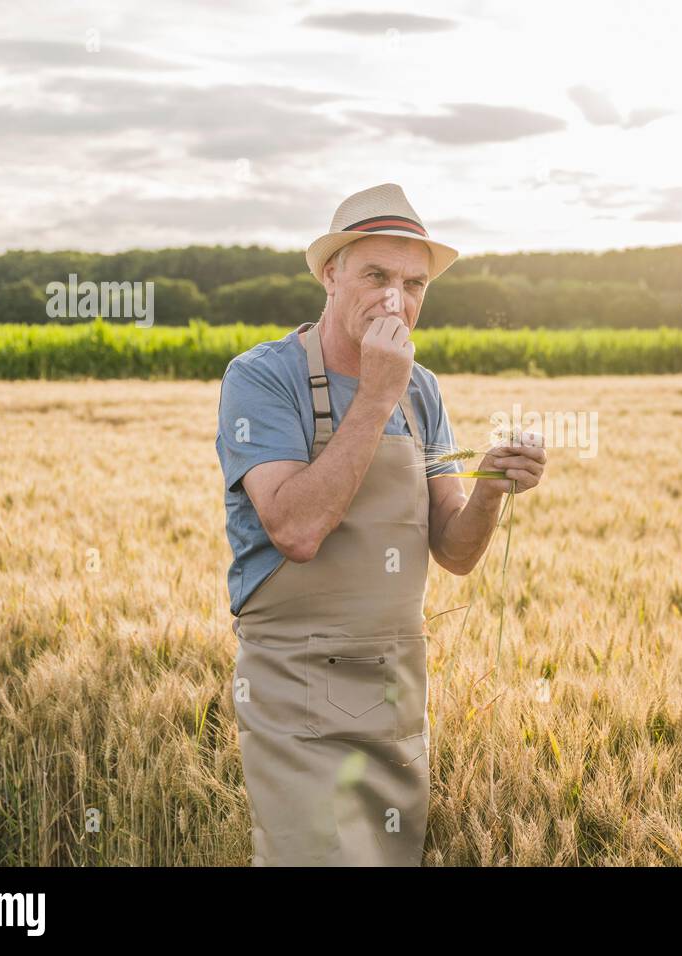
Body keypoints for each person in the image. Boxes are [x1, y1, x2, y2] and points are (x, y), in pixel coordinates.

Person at [214, 183, 546, 865]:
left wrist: (490, 488)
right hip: (293, 686)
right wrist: (376, 393)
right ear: (331, 275)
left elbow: (453, 551)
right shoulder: (262, 379)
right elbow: (296, 531)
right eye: (376, 276)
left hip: (396, 687)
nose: (396, 300)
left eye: (414, 283)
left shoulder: (421, 389)